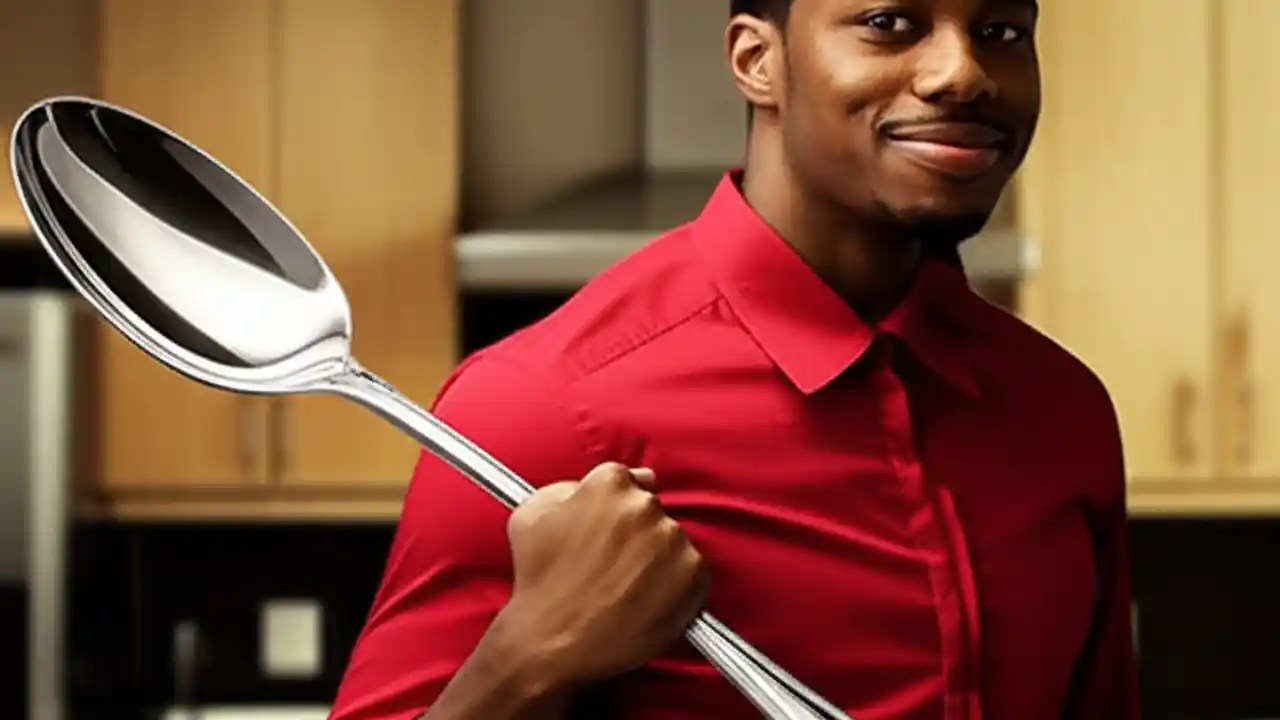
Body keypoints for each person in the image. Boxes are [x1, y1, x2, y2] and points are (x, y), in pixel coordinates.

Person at [330, 0, 1141, 717]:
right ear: (759, 60)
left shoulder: (1060, 409)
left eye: (1001, 31)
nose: (963, 71)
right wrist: (526, 661)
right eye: (890, 23)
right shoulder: (534, 408)